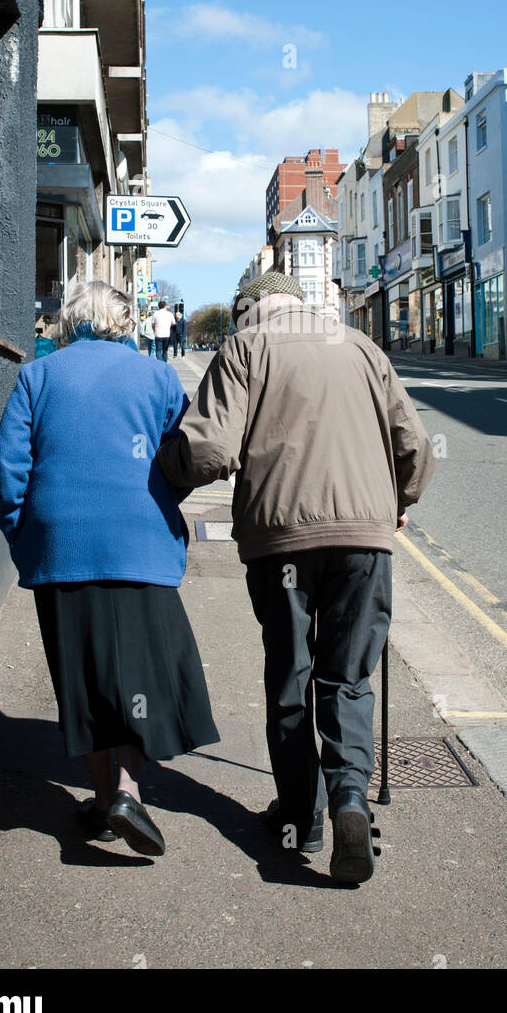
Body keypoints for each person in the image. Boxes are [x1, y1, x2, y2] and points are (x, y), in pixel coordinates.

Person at [158, 269, 435, 884]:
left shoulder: (245, 348)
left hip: (279, 540)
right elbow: (414, 445)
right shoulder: (363, 347)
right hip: (364, 538)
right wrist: (398, 501)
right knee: (349, 677)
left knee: (291, 676)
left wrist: (163, 474)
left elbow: (208, 451)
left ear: (255, 310)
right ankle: (351, 802)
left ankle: (301, 816)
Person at [0, 280, 219, 855]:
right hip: (140, 544)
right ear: (123, 321)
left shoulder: (39, 375)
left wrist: (24, 529)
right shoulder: (159, 377)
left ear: (71, 321)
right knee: (140, 676)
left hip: (61, 545)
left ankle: (99, 799)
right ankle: (125, 790)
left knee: (82, 675)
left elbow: (6, 463)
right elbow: (187, 456)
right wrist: (162, 506)